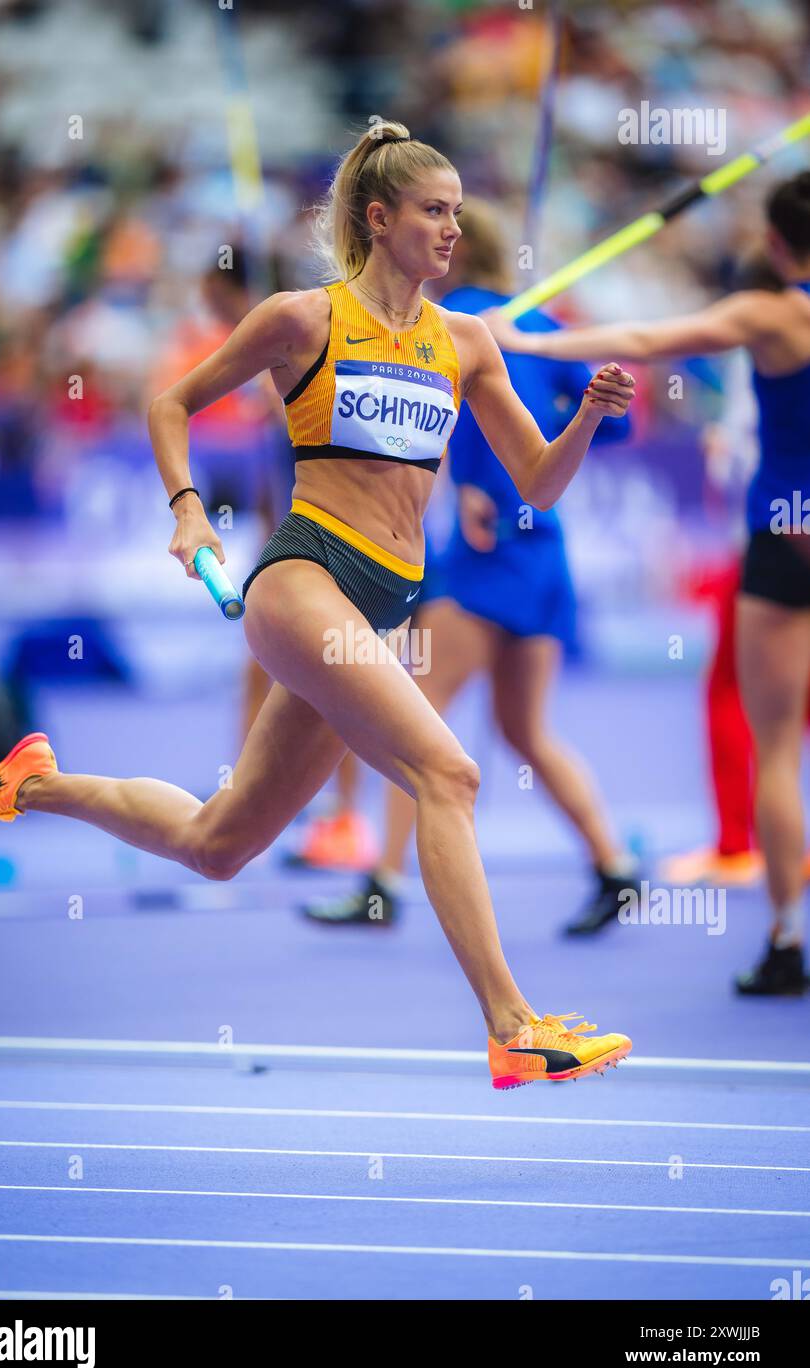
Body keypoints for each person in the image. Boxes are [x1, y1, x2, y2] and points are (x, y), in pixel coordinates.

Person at [0, 123, 635, 1088]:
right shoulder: (302, 318)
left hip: (383, 603)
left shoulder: (468, 341)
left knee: (218, 844)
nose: (451, 229)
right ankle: (513, 1026)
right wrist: (188, 512)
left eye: (457, 213)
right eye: (432, 211)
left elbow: (541, 484)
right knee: (449, 772)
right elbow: (171, 403)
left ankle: (34, 783)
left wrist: (590, 418)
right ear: (378, 218)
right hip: (304, 580)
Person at [486, 170, 810, 997]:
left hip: (785, 540)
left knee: (778, 751)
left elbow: (649, 338)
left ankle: (785, 940)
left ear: (774, 245)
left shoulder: (771, 313)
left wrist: (526, 340)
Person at [303, 195, 640, 936]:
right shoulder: (540, 326)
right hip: (546, 546)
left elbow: (441, 419)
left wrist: (480, 486)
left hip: (491, 556)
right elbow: (619, 423)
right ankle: (615, 866)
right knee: (525, 730)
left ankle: (382, 884)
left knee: (410, 721)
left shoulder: (454, 330)